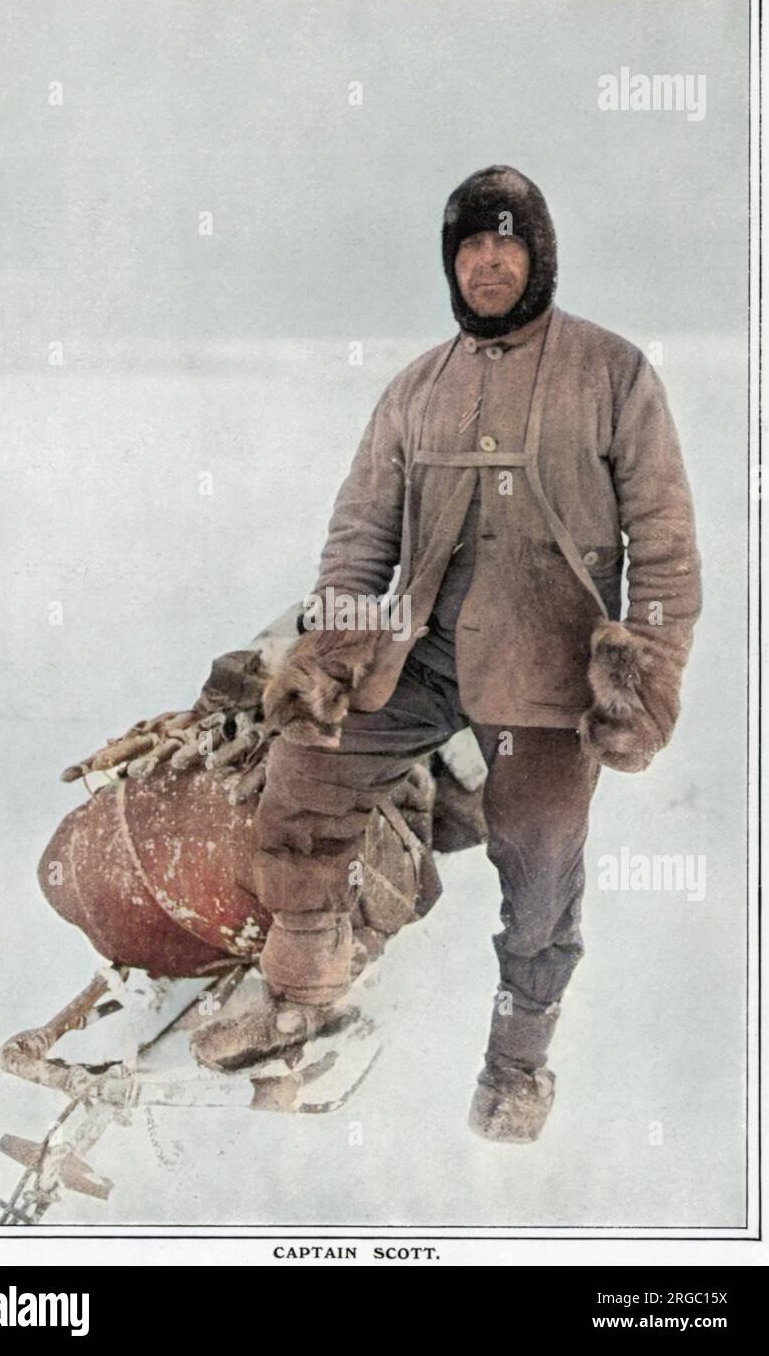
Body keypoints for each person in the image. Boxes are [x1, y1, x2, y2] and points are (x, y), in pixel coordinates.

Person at [211, 164, 703, 1142]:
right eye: (468, 246)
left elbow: (663, 542)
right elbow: (359, 538)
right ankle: (305, 984)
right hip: (422, 656)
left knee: (541, 875)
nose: (486, 261)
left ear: (538, 254)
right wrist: (335, 649)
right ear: (451, 263)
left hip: (543, 674)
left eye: (504, 242)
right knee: (304, 763)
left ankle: (514, 1066)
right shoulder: (416, 390)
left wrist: (645, 669)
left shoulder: (610, 373)